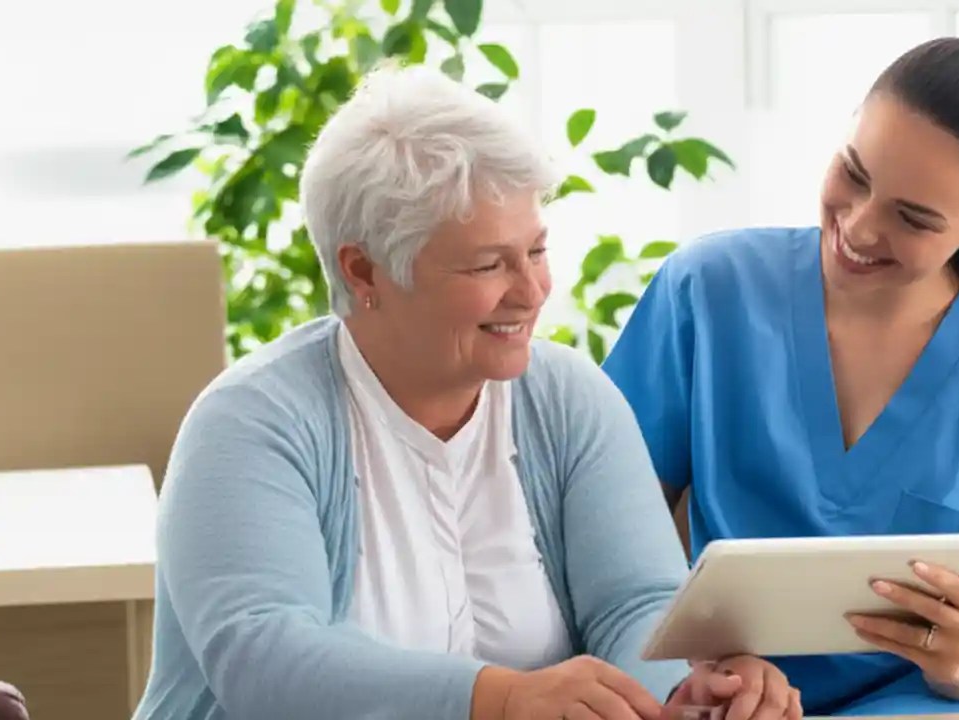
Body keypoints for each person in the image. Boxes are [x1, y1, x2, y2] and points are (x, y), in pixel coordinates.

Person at [133, 64, 802, 720]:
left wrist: (682, 696)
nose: (532, 290)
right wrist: (499, 698)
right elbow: (263, 656)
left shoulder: (570, 397)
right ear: (364, 269)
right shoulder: (251, 422)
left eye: (536, 251)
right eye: (488, 264)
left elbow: (639, 605)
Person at [602, 37, 959, 717]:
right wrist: (704, 668)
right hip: (724, 689)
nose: (859, 227)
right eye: (855, 174)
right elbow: (612, 547)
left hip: (918, 700)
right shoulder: (706, 292)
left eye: (913, 217)